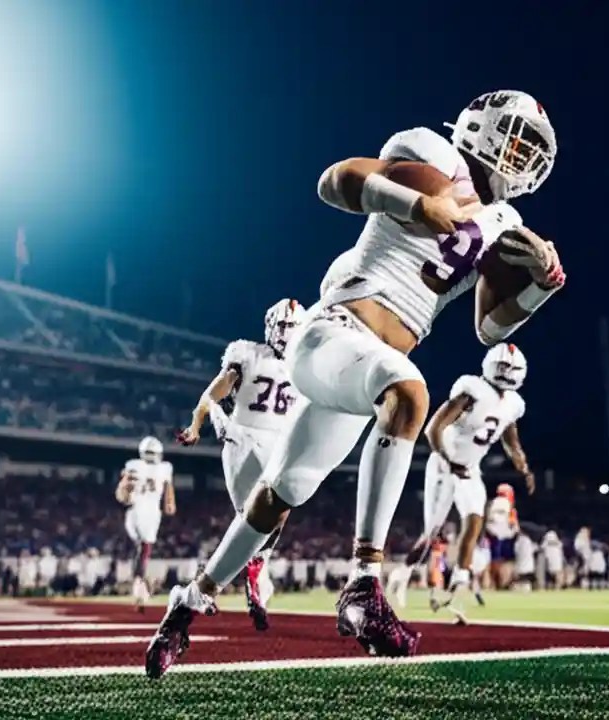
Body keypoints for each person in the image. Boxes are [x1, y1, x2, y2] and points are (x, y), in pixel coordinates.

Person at [146, 90, 563, 678]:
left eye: (533, 151)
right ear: (485, 127)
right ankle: (364, 583)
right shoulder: (436, 155)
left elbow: (491, 327)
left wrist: (541, 285)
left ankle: (185, 605)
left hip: (366, 367)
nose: (524, 159)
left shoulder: (506, 222)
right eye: (518, 140)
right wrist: (421, 208)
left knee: (279, 495)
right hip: (335, 330)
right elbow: (336, 180)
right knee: (411, 393)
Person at [178, 298, 307, 631]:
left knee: (253, 520)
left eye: (288, 327)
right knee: (270, 514)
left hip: (244, 440)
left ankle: (223, 581)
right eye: (280, 326)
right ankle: (255, 566)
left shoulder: (250, 353)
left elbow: (216, 390)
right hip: (259, 440)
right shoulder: (300, 364)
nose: (283, 332)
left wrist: (198, 421)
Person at [404, 343, 534, 610]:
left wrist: (524, 468)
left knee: (475, 518)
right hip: (444, 462)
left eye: (512, 368)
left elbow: (512, 442)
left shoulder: (512, 404)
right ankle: (401, 575)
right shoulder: (472, 390)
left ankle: (460, 579)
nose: (507, 373)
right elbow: (433, 429)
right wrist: (449, 460)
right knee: (431, 534)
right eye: (503, 367)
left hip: (470, 468)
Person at [116, 437, 176, 612]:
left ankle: (138, 583)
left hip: (134, 510)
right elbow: (168, 491)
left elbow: (122, 493)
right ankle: (139, 584)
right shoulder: (165, 468)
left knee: (141, 548)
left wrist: (124, 493)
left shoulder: (133, 465)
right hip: (150, 512)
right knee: (144, 549)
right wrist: (170, 504)